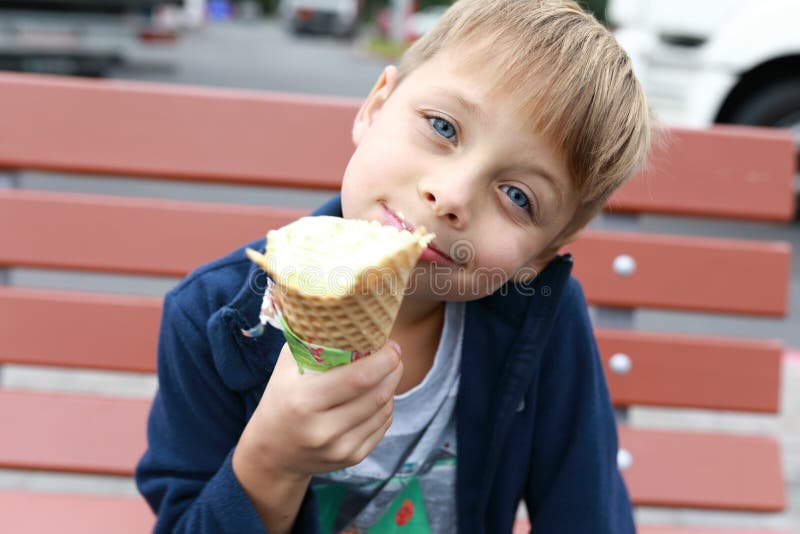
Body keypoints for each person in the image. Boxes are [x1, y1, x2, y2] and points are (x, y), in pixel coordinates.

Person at [135, 0, 654, 532]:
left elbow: (588, 515)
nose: (451, 195)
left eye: (518, 196)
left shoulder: (542, 322)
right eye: (443, 127)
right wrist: (271, 460)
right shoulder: (212, 316)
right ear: (375, 107)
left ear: (538, 259)